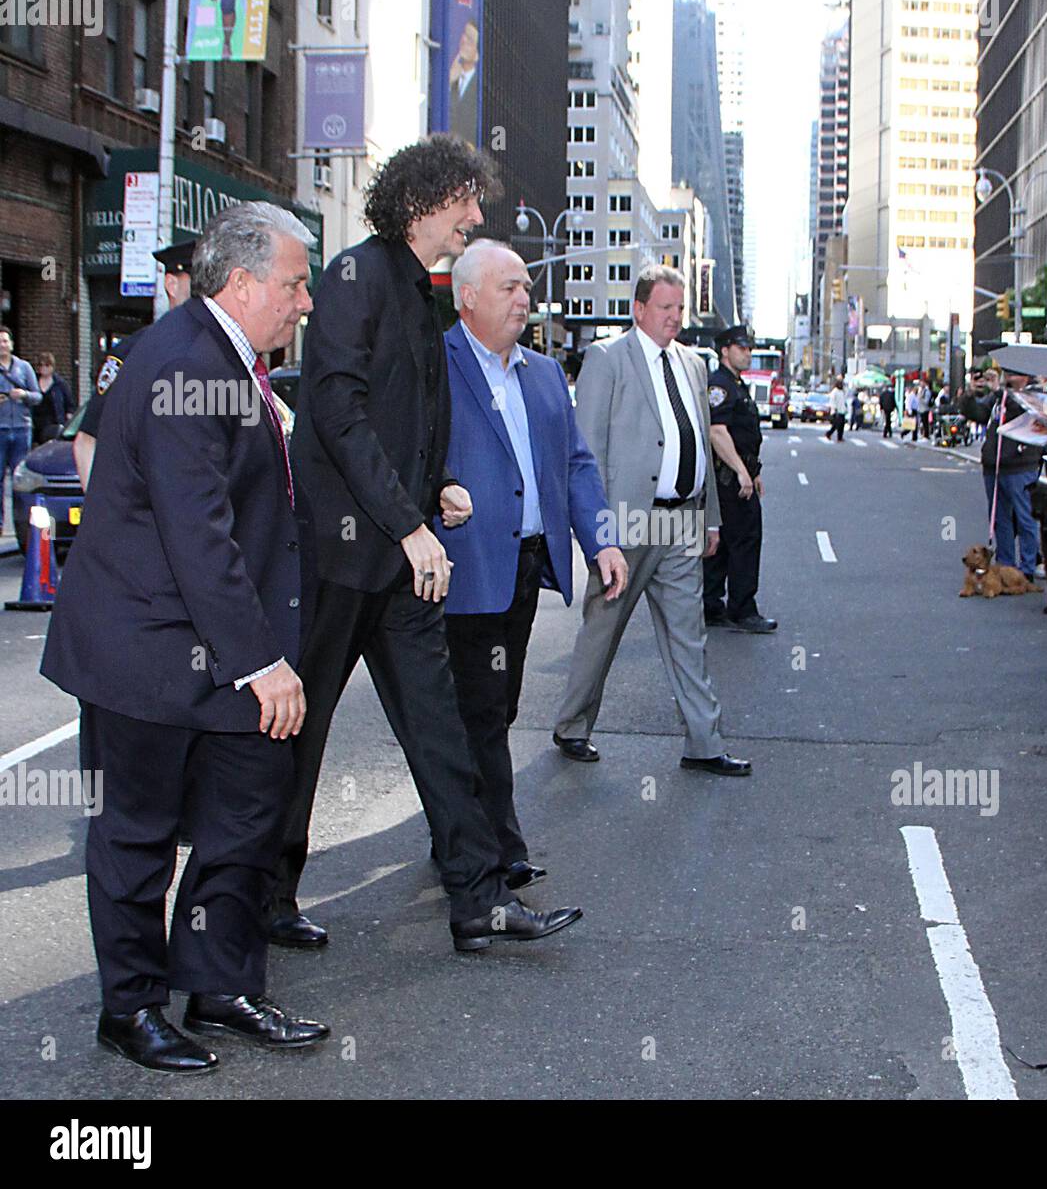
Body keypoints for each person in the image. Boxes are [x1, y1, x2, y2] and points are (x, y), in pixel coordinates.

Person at [40, 202, 327, 1074]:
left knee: (247, 810)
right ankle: (129, 1009)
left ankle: (220, 984)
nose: (306, 302)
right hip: (148, 655)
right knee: (135, 836)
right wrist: (263, 663)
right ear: (241, 284)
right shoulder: (181, 364)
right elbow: (197, 535)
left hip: (215, 654)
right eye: (294, 283)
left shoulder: (231, 360)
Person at [276, 137, 582, 953]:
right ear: (421, 203)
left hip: (402, 558)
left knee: (442, 730)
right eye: (465, 203)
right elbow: (336, 414)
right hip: (341, 556)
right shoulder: (353, 279)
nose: (474, 217)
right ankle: (267, 895)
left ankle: (477, 898)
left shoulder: (423, 292)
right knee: (300, 733)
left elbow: (409, 417)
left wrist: (437, 481)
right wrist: (411, 523)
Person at [438, 239, 627, 892]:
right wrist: (437, 484)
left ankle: (457, 829)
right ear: (467, 296)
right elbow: (402, 446)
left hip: (522, 566)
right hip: (461, 569)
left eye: (526, 287)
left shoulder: (544, 375)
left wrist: (601, 539)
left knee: (500, 705)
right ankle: (495, 848)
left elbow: (575, 463)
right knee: (482, 711)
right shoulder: (437, 364)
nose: (524, 298)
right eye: (509, 288)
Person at [553, 264, 751, 777]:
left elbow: (699, 442)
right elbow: (587, 452)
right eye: (665, 308)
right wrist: (599, 535)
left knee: (689, 634)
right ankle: (572, 725)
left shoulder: (693, 363)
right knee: (605, 625)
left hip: (681, 522)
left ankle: (704, 742)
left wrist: (709, 519)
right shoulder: (607, 359)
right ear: (639, 309)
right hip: (627, 523)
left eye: (679, 308)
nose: (674, 318)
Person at [75, 240, 195, 489]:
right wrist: (104, 520)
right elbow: (88, 441)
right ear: (171, 284)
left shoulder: (224, 355)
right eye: (196, 284)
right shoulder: (133, 352)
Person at [704, 325, 777, 634]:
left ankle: (710, 605)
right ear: (725, 350)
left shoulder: (734, 384)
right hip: (729, 477)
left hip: (736, 473)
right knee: (745, 539)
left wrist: (753, 470)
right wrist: (741, 471)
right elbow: (717, 431)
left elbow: (742, 434)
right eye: (742, 348)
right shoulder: (720, 385)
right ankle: (743, 609)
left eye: (749, 348)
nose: (748, 353)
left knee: (722, 543)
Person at [957, 367, 1040, 581]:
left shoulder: (1033, 394)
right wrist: (971, 393)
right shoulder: (998, 398)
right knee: (999, 518)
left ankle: (1028, 567)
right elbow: (975, 413)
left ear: (1025, 375)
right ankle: (1006, 565)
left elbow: (1021, 414)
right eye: (1007, 374)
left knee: (1025, 517)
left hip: (1021, 465)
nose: (1008, 378)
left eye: (1013, 374)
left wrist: (1000, 391)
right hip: (994, 466)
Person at [0, 325, 40, 534]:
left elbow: (38, 396)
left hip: (22, 429)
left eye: (5, 341)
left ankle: (22, 524)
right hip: (1, 428)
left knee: (19, 479)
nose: (2, 345)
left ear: (11, 344)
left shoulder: (23, 368)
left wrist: (23, 394)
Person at [31, 352, 74, 444]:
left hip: (53, 422)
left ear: (52, 366)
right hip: (35, 423)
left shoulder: (60, 384)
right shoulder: (33, 382)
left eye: (46, 365)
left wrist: (68, 419)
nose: (43, 368)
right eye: (41, 365)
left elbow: (69, 404)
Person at [826, 376, 847, 442]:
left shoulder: (842, 391)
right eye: (840, 384)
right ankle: (830, 434)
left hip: (842, 411)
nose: (841, 385)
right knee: (836, 425)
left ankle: (839, 437)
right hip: (836, 411)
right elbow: (832, 401)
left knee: (841, 425)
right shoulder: (834, 391)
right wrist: (834, 409)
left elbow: (846, 393)